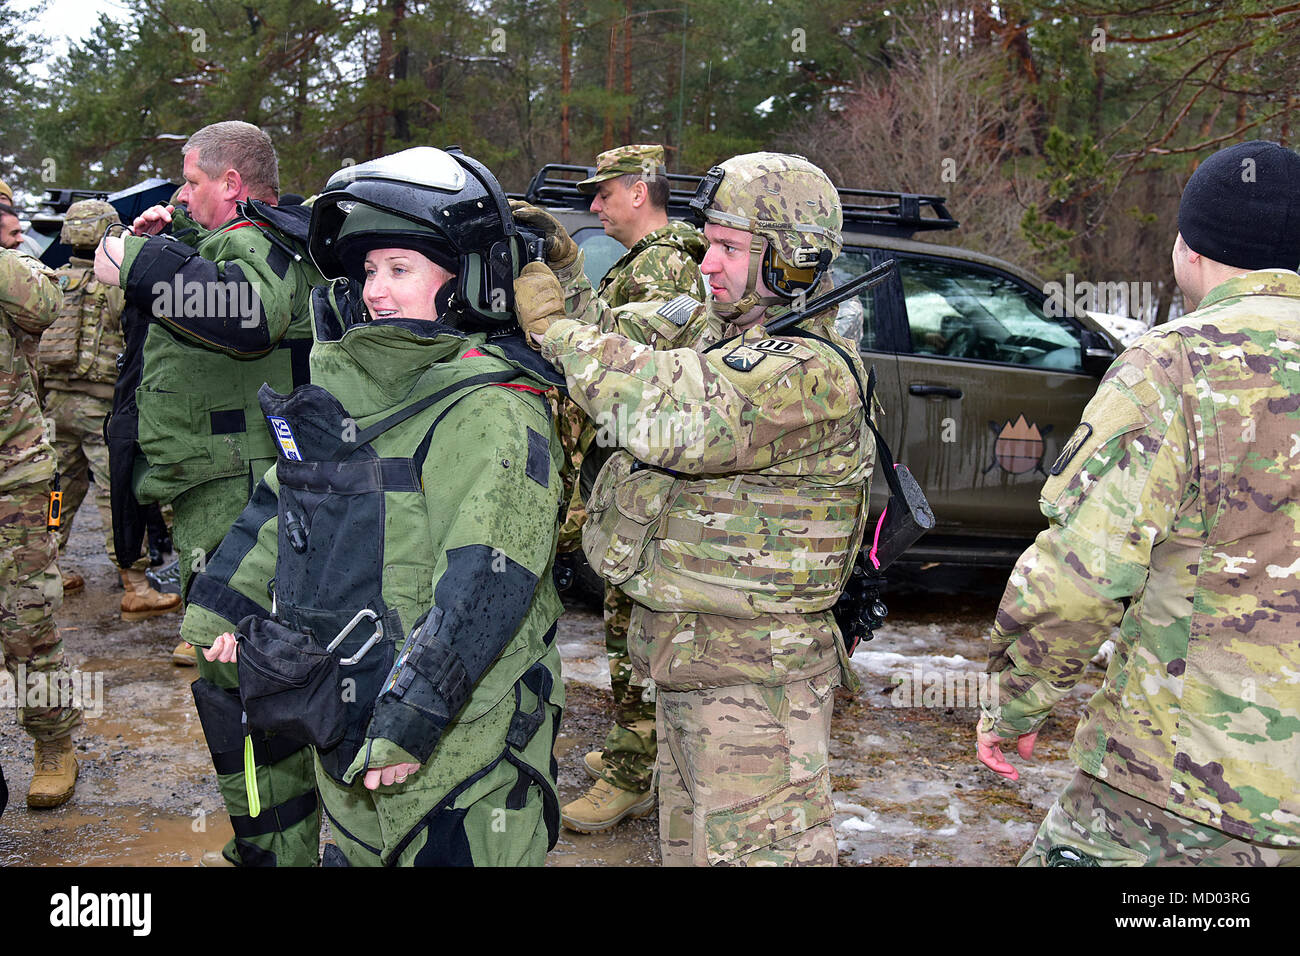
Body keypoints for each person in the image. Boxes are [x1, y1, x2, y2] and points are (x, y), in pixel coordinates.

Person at [186, 146, 567, 866]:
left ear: (463, 283)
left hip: (461, 745)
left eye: (401, 269)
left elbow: (488, 580)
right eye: (368, 271)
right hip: (353, 714)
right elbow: (283, 504)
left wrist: (411, 717)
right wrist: (226, 611)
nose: (376, 292)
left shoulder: (490, 407)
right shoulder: (352, 392)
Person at [513, 152, 875, 866]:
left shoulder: (810, 369)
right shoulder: (727, 326)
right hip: (693, 665)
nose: (707, 264)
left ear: (794, 260)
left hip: (755, 691)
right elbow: (621, 335)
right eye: (708, 240)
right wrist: (560, 270)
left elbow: (666, 413)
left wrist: (550, 328)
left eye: (730, 248)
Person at [975, 139, 1300, 866]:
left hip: (1175, 786)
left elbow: (1081, 576)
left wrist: (1018, 701)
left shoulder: (1175, 363)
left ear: (1189, 248)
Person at [94, 120, 323, 867]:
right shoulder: (258, 239)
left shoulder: (256, 241)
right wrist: (168, 246)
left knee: (236, 682)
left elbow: (249, 318)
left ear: (234, 182)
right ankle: (272, 833)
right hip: (228, 487)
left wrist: (142, 262)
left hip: (232, 497)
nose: (181, 194)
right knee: (249, 671)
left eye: (192, 181)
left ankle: (271, 843)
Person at [555, 144, 708, 834]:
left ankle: (634, 771)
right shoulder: (645, 263)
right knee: (625, 619)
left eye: (604, 193)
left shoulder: (669, 264)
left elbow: (637, 364)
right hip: (627, 472)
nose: (595, 206)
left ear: (640, 191)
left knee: (633, 626)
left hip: (650, 477)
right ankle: (635, 749)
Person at [40, 199, 180, 620]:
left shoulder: (52, 280)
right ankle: (134, 585)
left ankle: (46, 570)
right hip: (101, 407)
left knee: (56, 491)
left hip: (56, 404)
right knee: (114, 494)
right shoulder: (116, 284)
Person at [0, 247, 82, 808]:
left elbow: (45, 307)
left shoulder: (13, 268)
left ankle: (54, 741)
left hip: (13, 476)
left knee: (24, 620)